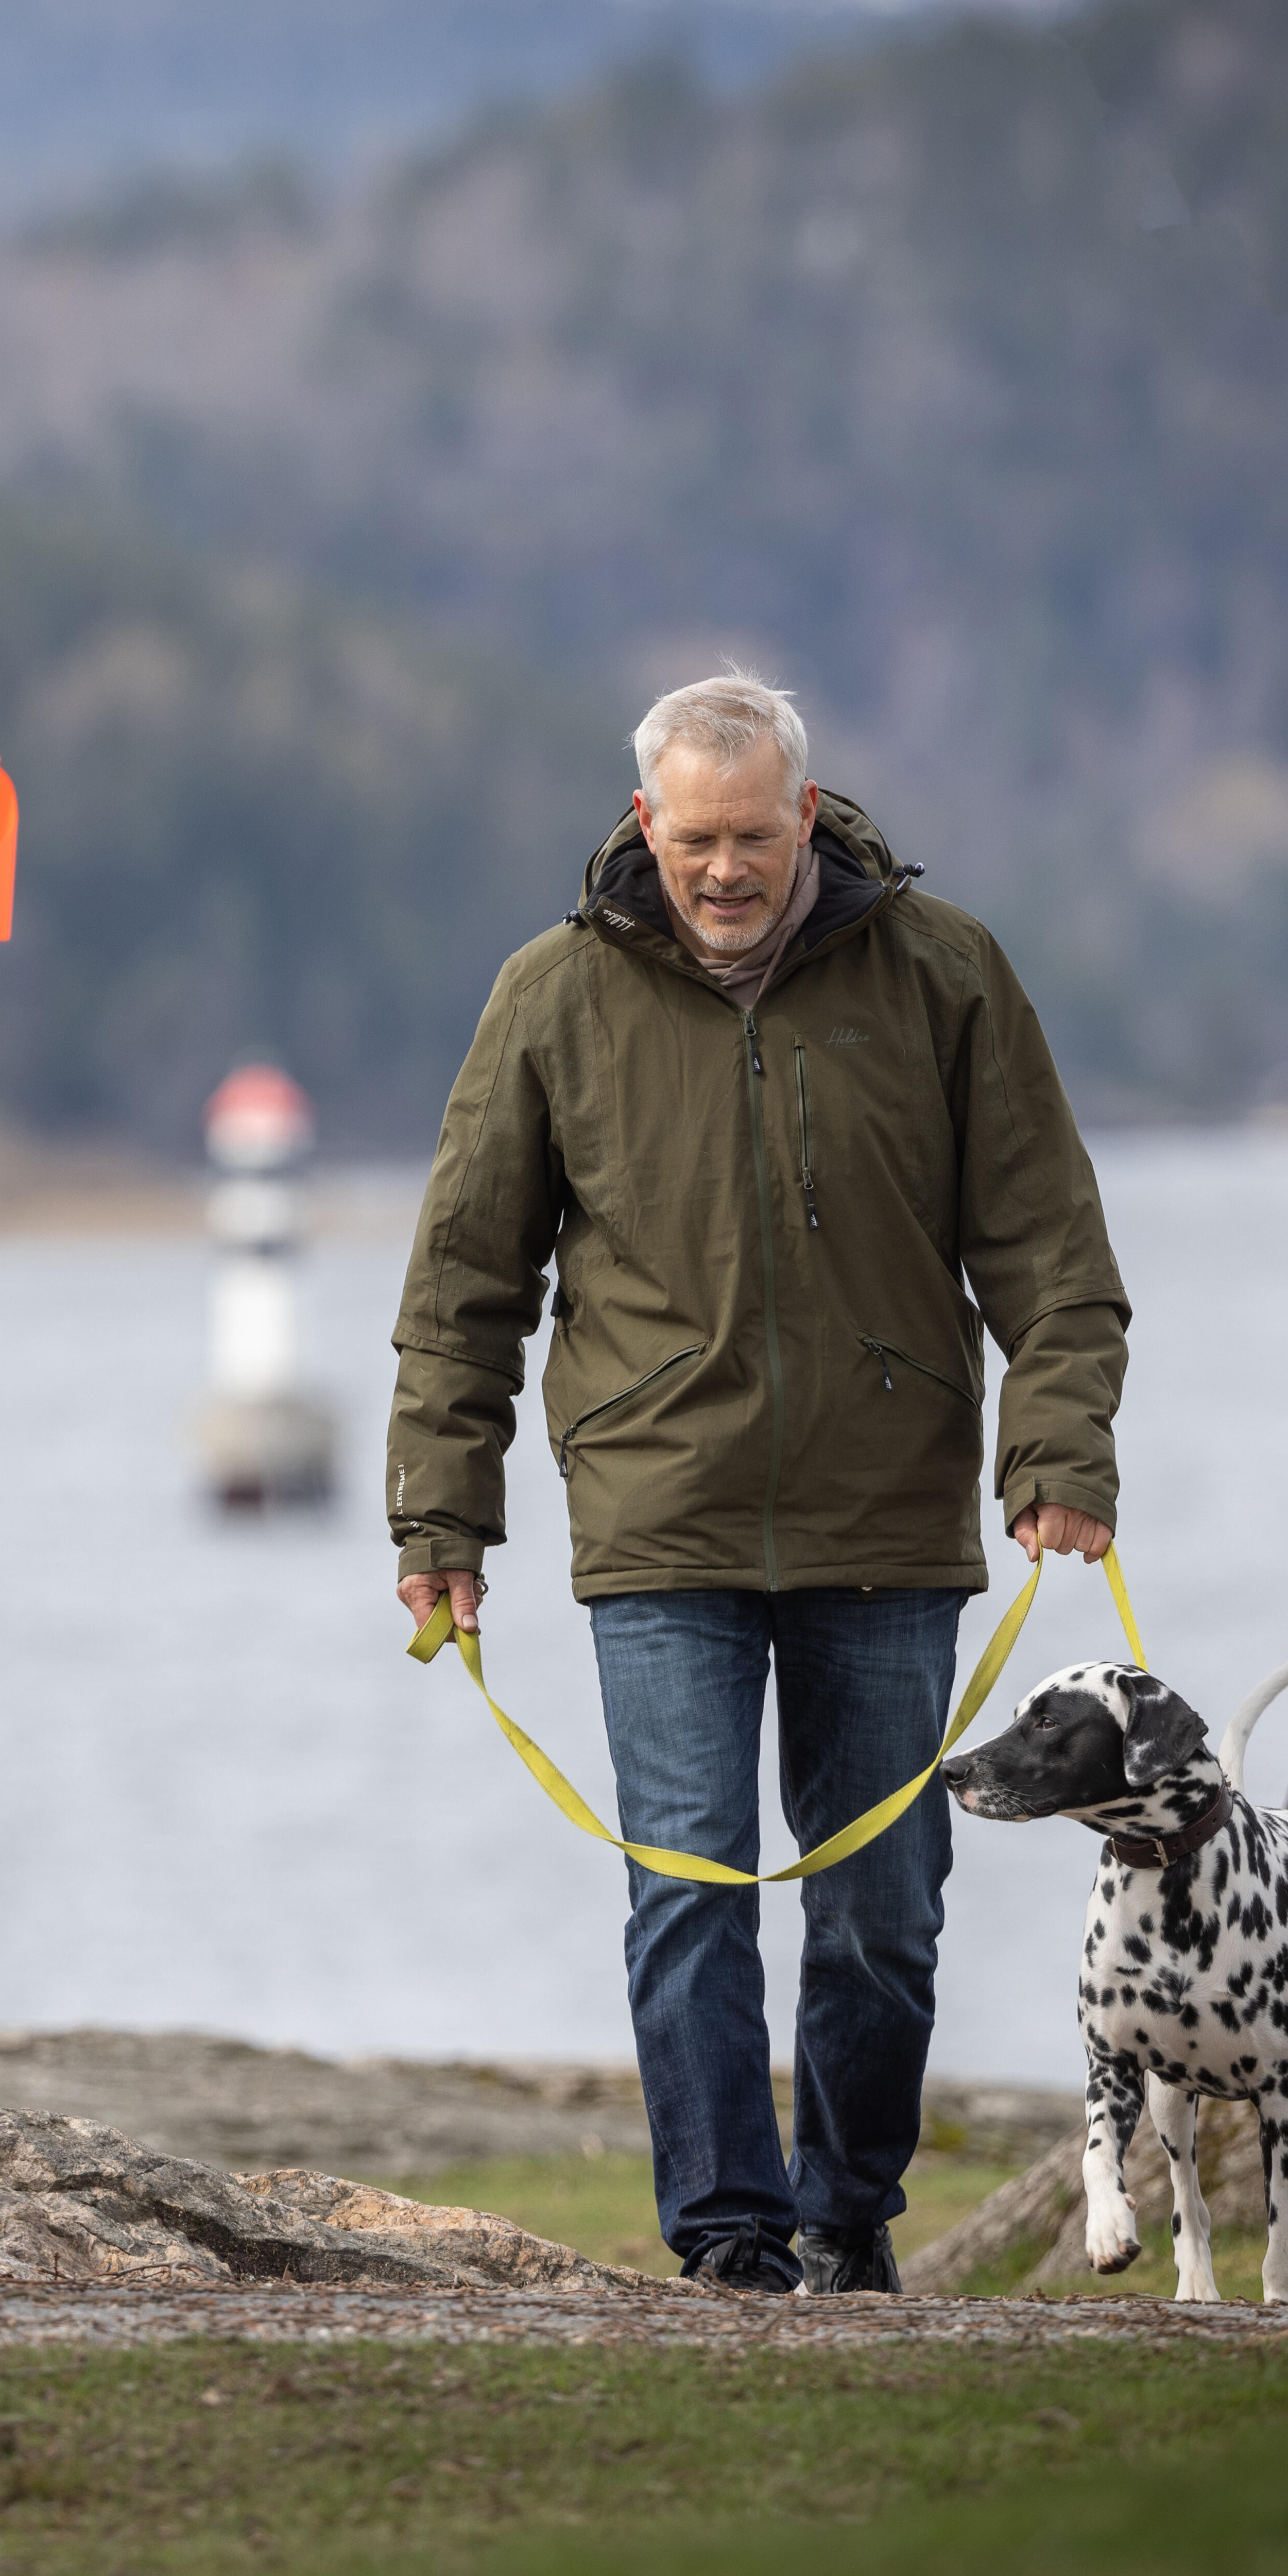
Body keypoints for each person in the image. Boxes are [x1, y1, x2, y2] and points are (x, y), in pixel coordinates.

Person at [386, 671, 1128, 2294]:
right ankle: (728, 2242)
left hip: (888, 1517)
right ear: (643, 822)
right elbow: (463, 1287)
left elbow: (1051, 1250)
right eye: (694, 839)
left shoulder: (945, 973)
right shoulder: (551, 995)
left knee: (884, 1909)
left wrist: (1060, 1449)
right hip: (658, 1518)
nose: (725, 870)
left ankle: (847, 2216)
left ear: (809, 816)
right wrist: (443, 1519)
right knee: (687, 1890)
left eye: (754, 837)